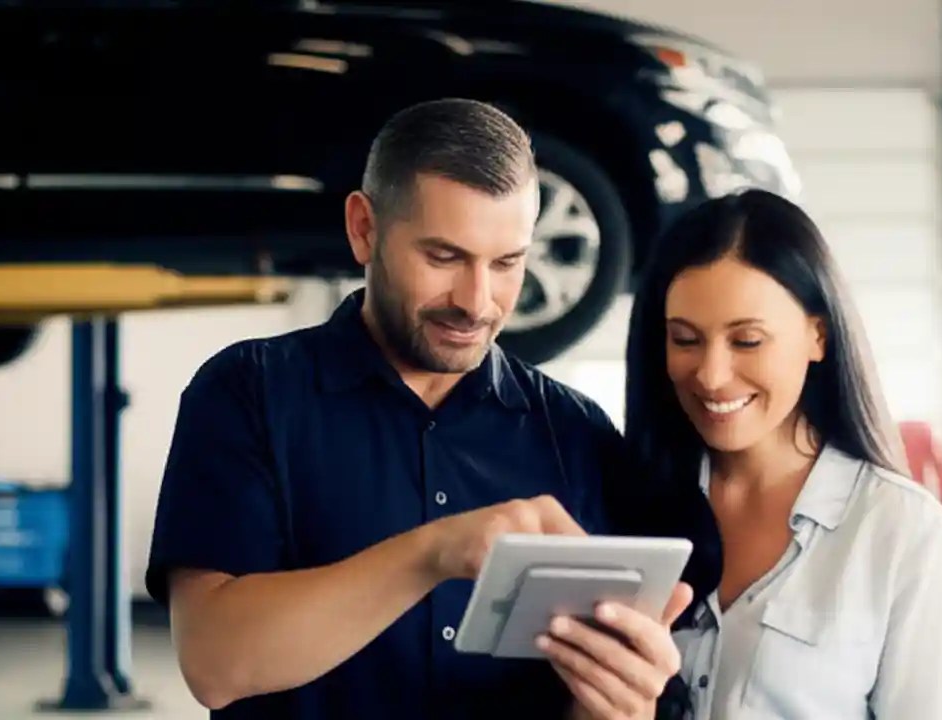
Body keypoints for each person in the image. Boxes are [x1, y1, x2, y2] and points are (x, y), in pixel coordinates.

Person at [146, 98, 689, 720]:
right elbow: (216, 665)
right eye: (444, 257)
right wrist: (432, 553)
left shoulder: (578, 435)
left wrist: (615, 704)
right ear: (364, 229)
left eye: (507, 263)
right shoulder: (247, 394)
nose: (477, 302)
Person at [623, 189, 942, 720]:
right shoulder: (622, 504)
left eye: (747, 341)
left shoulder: (902, 533)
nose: (712, 376)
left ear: (818, 335)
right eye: (686, 339)